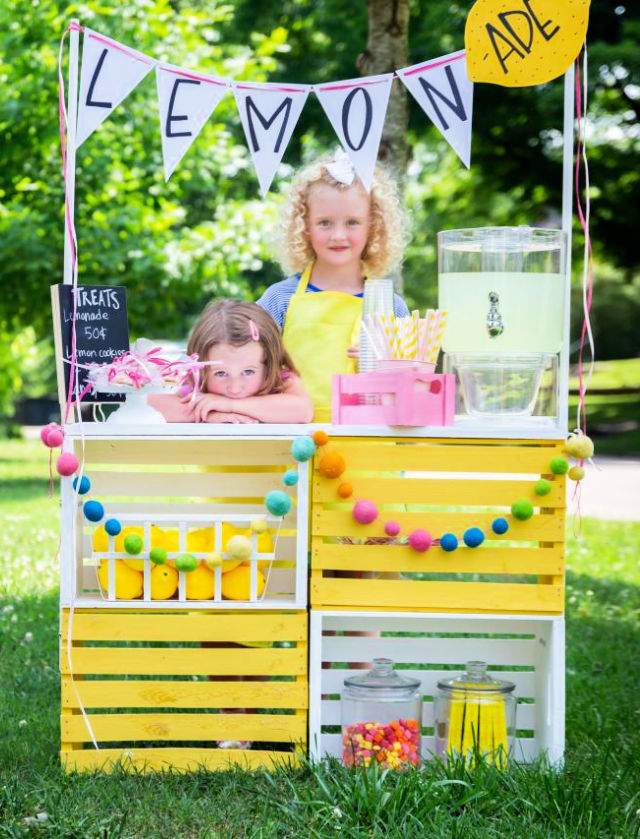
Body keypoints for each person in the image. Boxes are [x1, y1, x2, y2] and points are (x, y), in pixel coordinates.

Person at [257, 149, 410, 421]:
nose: (338, 235)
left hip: (369, 445)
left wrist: (387, 364)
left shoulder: (390, 306)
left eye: (352, 222)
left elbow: (415, 386)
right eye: (325, 223)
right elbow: (249, 366)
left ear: (373, 227)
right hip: (293, 441)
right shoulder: (279, 299)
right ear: (304, 226)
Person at [150, 300, 313, 424]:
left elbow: (303, 410)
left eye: (248, 372)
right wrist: (208, 413)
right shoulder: (199, 384)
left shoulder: (279, 379)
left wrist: (228, 405)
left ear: (269, 362)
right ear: (200, 367)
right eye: (221, 373)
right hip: (220, 466)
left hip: (275, 467)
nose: (235, 388)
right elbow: (149, 404)